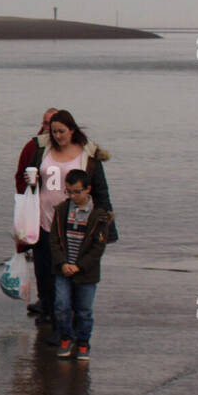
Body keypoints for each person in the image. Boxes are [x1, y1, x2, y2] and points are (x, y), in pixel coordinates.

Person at [28, 109, 117, 343]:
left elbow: (100, 191)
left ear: (72, 130)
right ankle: (58, 328)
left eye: (61, 131)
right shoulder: (41, 150)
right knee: (47, 277)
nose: (57, 136)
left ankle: (77, 330)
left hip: (78, 225)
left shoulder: (88, 156)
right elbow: (29, 183)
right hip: (45, 222)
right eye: (53, 131)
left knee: (78, 276)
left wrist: (106, 225)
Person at [48, 169, 115, 360]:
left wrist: (80, 266)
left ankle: (84, 342)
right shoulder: (61, 211)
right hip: (63, 269)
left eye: (77, 192)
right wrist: (62, 263)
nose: (73, 196)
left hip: (86, 272)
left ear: (88, 190)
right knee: (61, 305)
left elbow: (98, 247)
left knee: (84, 309)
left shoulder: (99, 216)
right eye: (69, 191)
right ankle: (66, 337)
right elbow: (54, 240)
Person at [14, 108, 58, 320]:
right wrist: (27, 197)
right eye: (46, 122)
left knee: (58, 262)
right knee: (41, 260)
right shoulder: (33, 146)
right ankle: (45, 300)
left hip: (59, 213)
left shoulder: (72, 149)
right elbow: (20, 176)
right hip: (36, 211)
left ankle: (58, 305)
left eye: (53, 123)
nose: (49, 127)